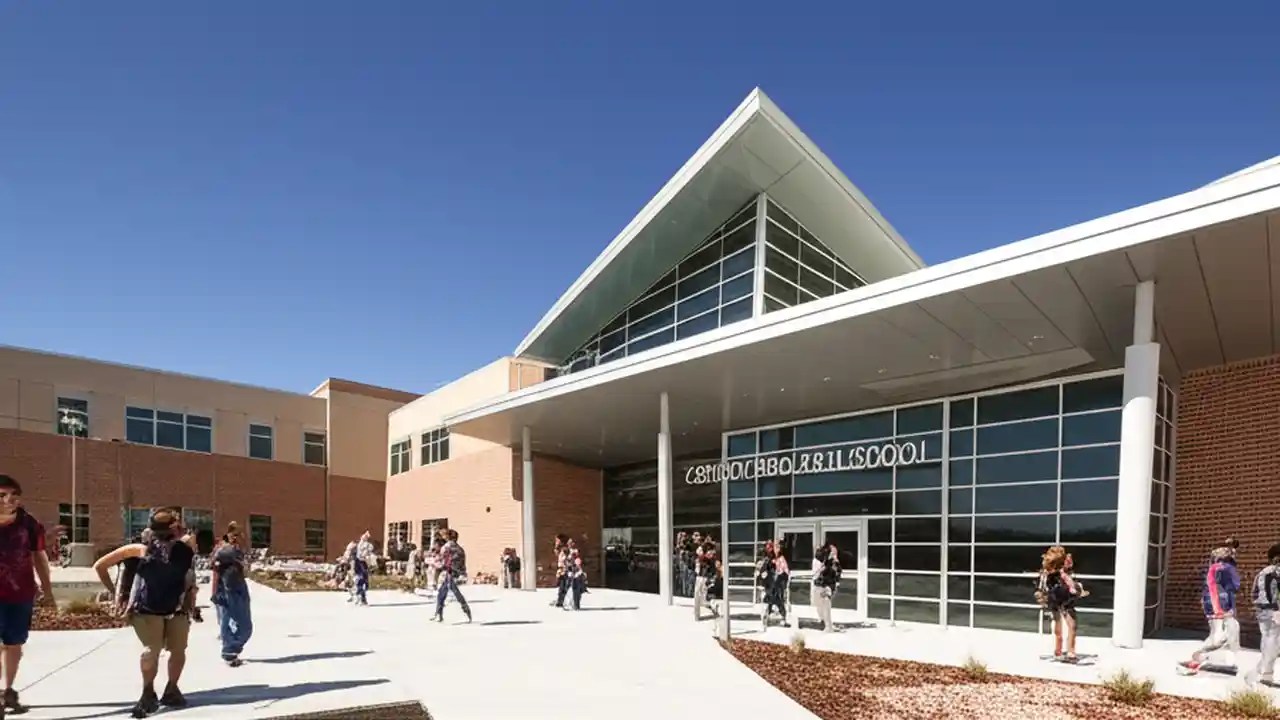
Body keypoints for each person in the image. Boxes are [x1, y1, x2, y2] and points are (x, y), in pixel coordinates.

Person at [94, 508, 197, 718]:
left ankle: (162, 690)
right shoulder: (149, 549)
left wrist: (191, 605)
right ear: (174, 528)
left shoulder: (169, 550)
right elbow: (100, 566)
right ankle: (158, 690)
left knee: (168, 650)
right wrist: (117, 594)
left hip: (163, 608)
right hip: (159, 608)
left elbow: (100, 566)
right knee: (163, 650)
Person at [0, 475, 54, 717]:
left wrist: (48, 590)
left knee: (15, 645)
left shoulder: (28, 524)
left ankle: (7, 690)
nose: (8, 500)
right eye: (2, 495)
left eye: (13, 495)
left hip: (20, 594)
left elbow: (39, 558)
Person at [1179, 544, 1242, 675]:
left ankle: (1202, 660)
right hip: (1221, 607)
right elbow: (1234, 586)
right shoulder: (1225, 569)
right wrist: (1220, 609)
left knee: (1220, 633)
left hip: (1215, 606)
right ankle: (1199, 657)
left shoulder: (1213, 569)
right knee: (1223, 635)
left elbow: (1213, 589)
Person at [211, 523, 253, 667]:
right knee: (229, 621)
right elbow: (216, 570)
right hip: (228, 588)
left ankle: (231, 648)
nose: (236, 537)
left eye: (239, 534)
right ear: (228, 534)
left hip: (238, 586)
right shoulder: (223, 550)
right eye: (233, 534)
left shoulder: (238, 550)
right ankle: (229, 650)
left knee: (241, 624)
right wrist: (215, 591)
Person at [1037, 546, 1087, 663]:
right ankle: (1058, 650)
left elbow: (1070, 580)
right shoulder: (1046, 574)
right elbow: (1041, 587)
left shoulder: (1063, 572)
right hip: (1055, 601)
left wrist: (1076, 590)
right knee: (1057, 627)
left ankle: (1070, 651)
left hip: (1066, 601)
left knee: (1072, 625)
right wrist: (1042, 596)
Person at [1247, 543, 1280, 687]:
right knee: (1273, 641)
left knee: (1267, 639)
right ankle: (1262, 673)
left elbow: (1253, 592)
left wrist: (1258, 605)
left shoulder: (1262, 572)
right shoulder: (1277, 572)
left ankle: (1264, 673)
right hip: (1274, 610)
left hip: (1262, 611)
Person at [433, 529, 472, 623]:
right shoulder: (460, 548)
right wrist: (462, 572)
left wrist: (436, 566)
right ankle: (466, 611)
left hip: (448, 572)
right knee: (446, 592)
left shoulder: (446, 547)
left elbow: (442, 562)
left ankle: (440, 614)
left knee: (447, 592)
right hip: (456, 572)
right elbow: (463, 562)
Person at [813, 542, 842, 633]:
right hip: (820, 584)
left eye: (834, 552)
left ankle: (828, 627)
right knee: (818, 604)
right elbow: (819, 572)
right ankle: (824, 621)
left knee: (826, 604)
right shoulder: (823, 560)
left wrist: (836, 583)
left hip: (828, 586)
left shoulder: (834, 562)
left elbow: (837, 572)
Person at [693, 539, 720, 621]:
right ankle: (697, 615)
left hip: (705, 578)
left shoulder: (710, 558)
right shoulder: (700, 558)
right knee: (697, 597)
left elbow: (713, 567)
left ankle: (713, 606)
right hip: (699, 577)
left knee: (703, 598)